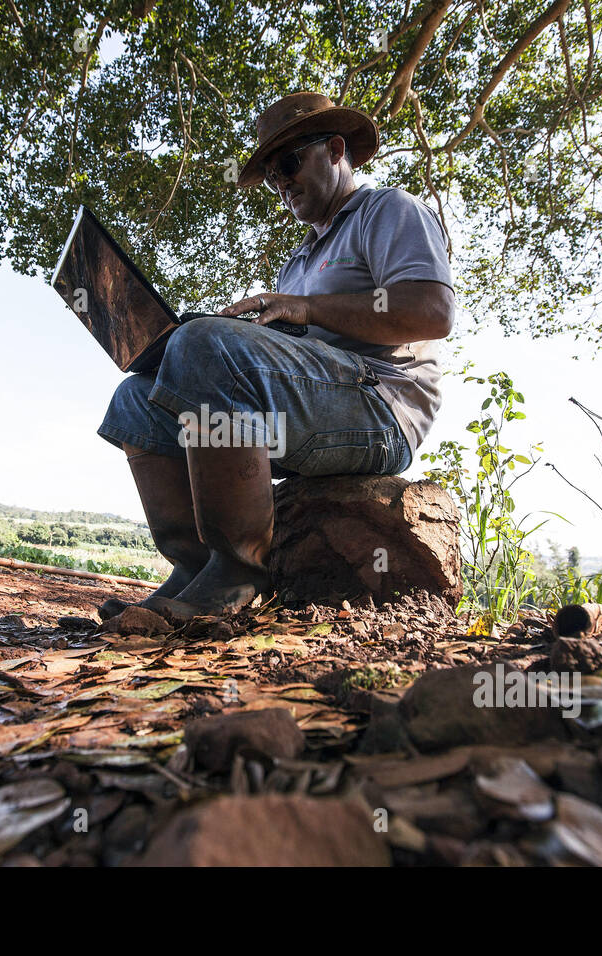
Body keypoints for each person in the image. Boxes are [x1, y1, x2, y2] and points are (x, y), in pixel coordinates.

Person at [97, 91, 455, 622]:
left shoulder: (387, 211)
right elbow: (285, 358)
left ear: (336, 150)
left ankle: (238, 573)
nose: (282, 183)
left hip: (381, 408)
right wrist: (185, 360)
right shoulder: (298, 261)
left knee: (203, 342)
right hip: (311, 407)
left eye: (289, 163)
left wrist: (300, 307)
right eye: (271, 175)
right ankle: (193, 567)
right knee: (136, 398)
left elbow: (432, 311)